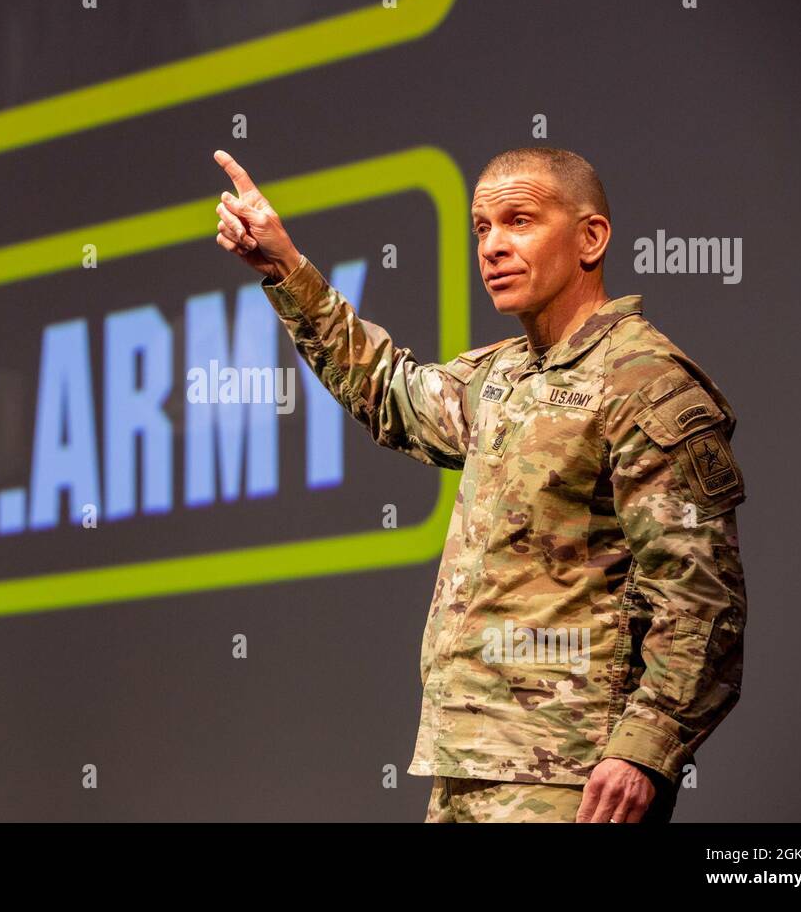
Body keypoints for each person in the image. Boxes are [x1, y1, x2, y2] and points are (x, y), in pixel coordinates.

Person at [211, 146, 747, 823]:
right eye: (482, 228)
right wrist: (287, 268)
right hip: (465, 764)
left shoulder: (643, 380)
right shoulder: (504, 376)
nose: (492, 246)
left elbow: (703, 598)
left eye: (519, 220)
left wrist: (646, 747)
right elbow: (388, 393)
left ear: (591, 238)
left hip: (573, 777)